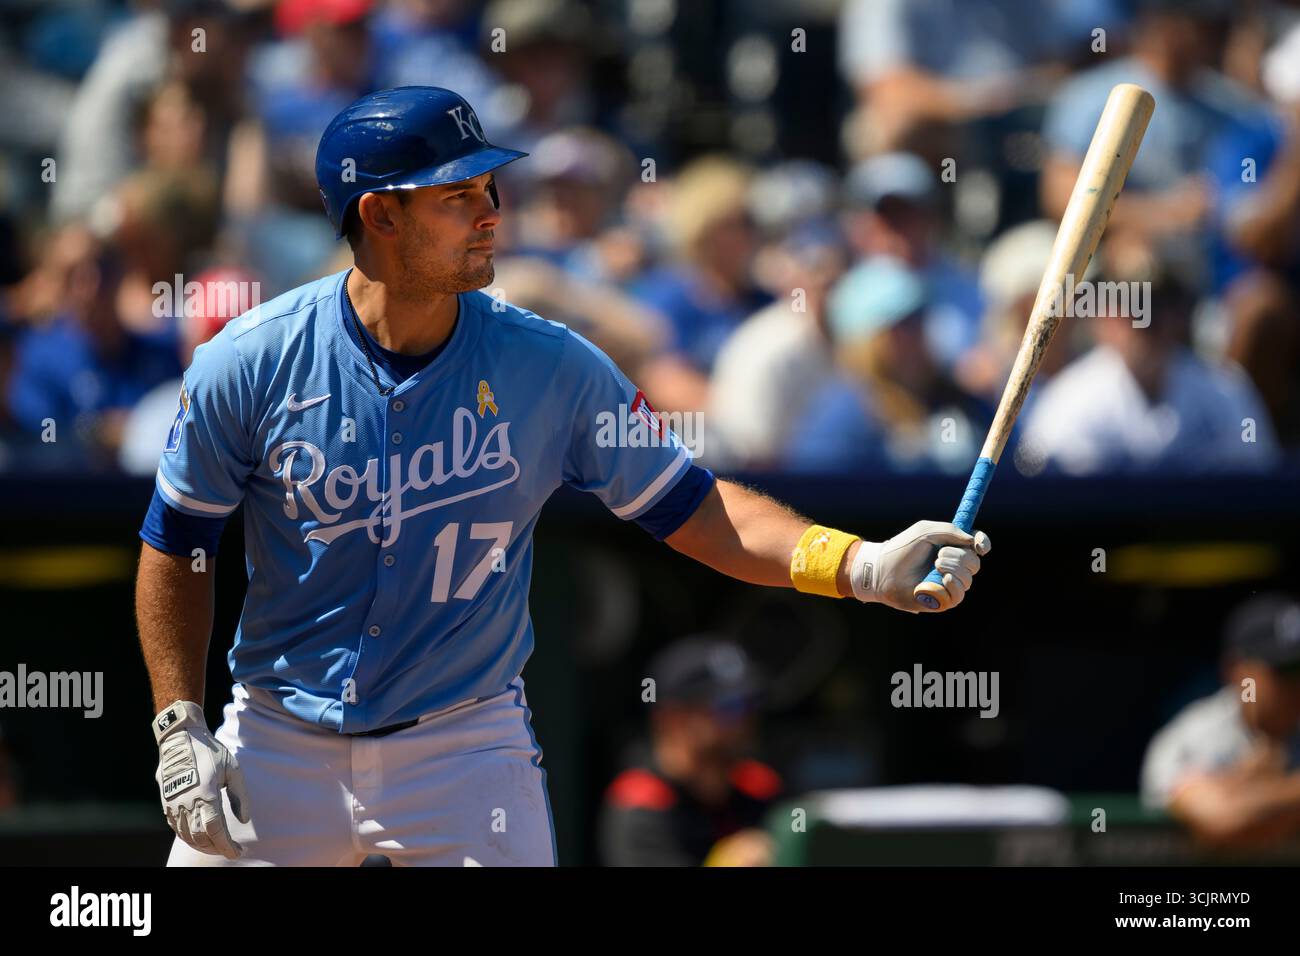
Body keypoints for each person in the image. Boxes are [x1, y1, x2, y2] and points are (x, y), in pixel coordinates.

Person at [134, 87, 991, 868]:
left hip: (463, 741)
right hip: (280, 736)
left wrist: (858, 565)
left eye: (490, 190)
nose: (491, 213)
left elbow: (695, 509)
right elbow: (176, 545)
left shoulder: (549, 366)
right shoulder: (248, 364)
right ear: (380, 215)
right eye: (457, 195)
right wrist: (180, 722)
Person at [598, 636, 780, 867]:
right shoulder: (641, 801)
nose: (744, 720)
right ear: (672, 718)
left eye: (750, 704)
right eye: (729, 707)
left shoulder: (758, 787)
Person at [1141, 594, 1300, 846]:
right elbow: (1221, 821)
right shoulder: (1197, 734)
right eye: (1284, 671)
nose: (1294, 685)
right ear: (1237, 670)